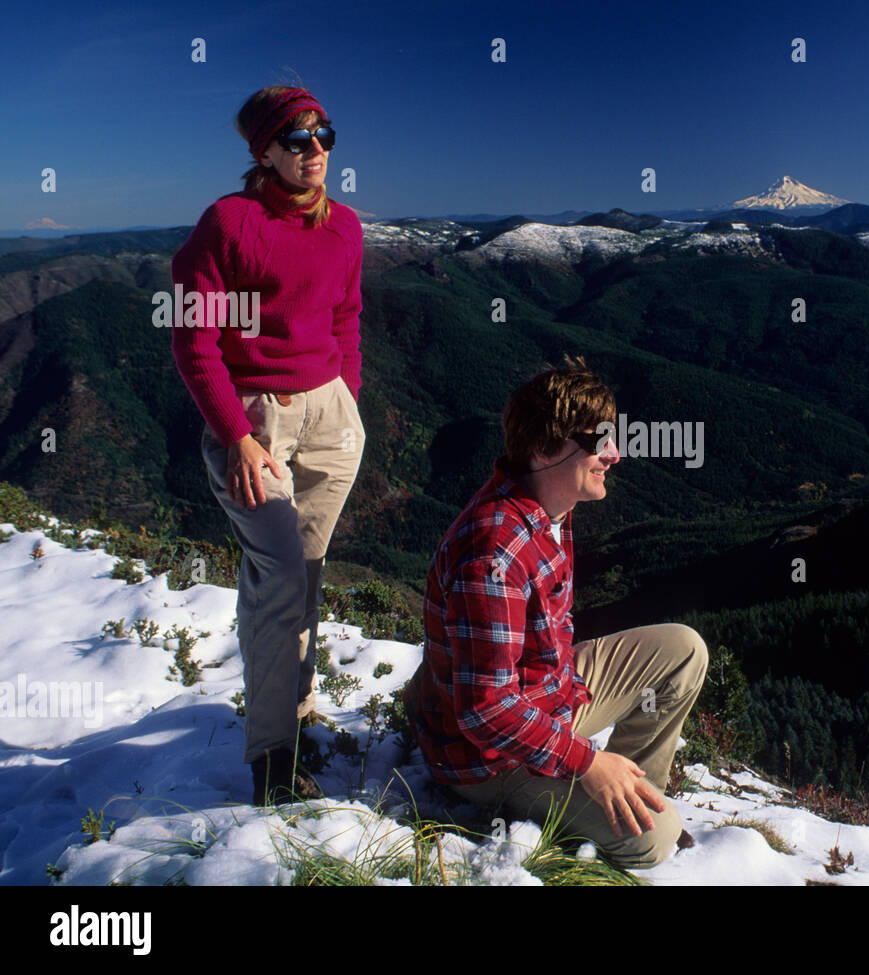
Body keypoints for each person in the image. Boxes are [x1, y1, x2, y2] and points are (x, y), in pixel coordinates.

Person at [406, 357, 708, 869]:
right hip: (487, 758)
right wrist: (585, 761)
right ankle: (623, 817)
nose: (613, 454)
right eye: (598, 442)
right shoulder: (494, 554)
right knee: (655, 842)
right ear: (544, 449)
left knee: (684, 650)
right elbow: (485, 710)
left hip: (545, 697)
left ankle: (631, 794)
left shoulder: (549, 509)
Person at [170, 85, 365, 804]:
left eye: (324, 134)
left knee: (306, 572)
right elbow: (195, 342)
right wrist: (239, 437)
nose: (314, 149)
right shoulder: (227, 224)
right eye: (296, 137)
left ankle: (298, 707)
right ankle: (271, 761)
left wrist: (348, 398)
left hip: (330, 417)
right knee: (280, 575)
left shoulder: (345, 226)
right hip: (256, 422)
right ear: (263, 150)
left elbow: (347, 314)